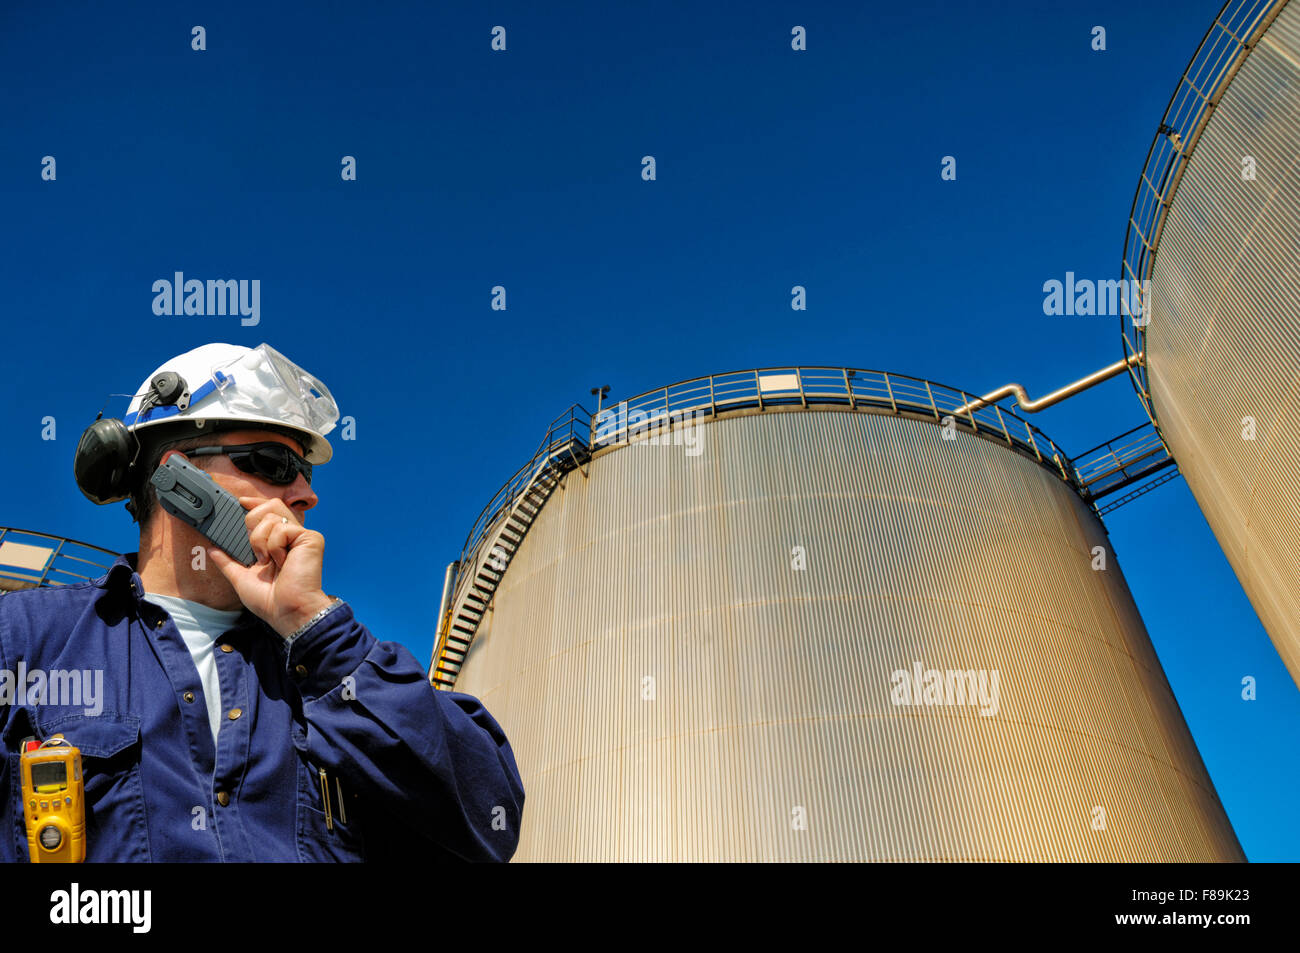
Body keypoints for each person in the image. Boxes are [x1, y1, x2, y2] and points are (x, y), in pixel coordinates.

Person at [0, 343, 523, 861]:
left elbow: (490, 822)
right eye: (272, 464)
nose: (305, 493)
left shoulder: (334, 670)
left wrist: (315, 631)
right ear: (180, 477)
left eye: (307, 473)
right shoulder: (27, 642)